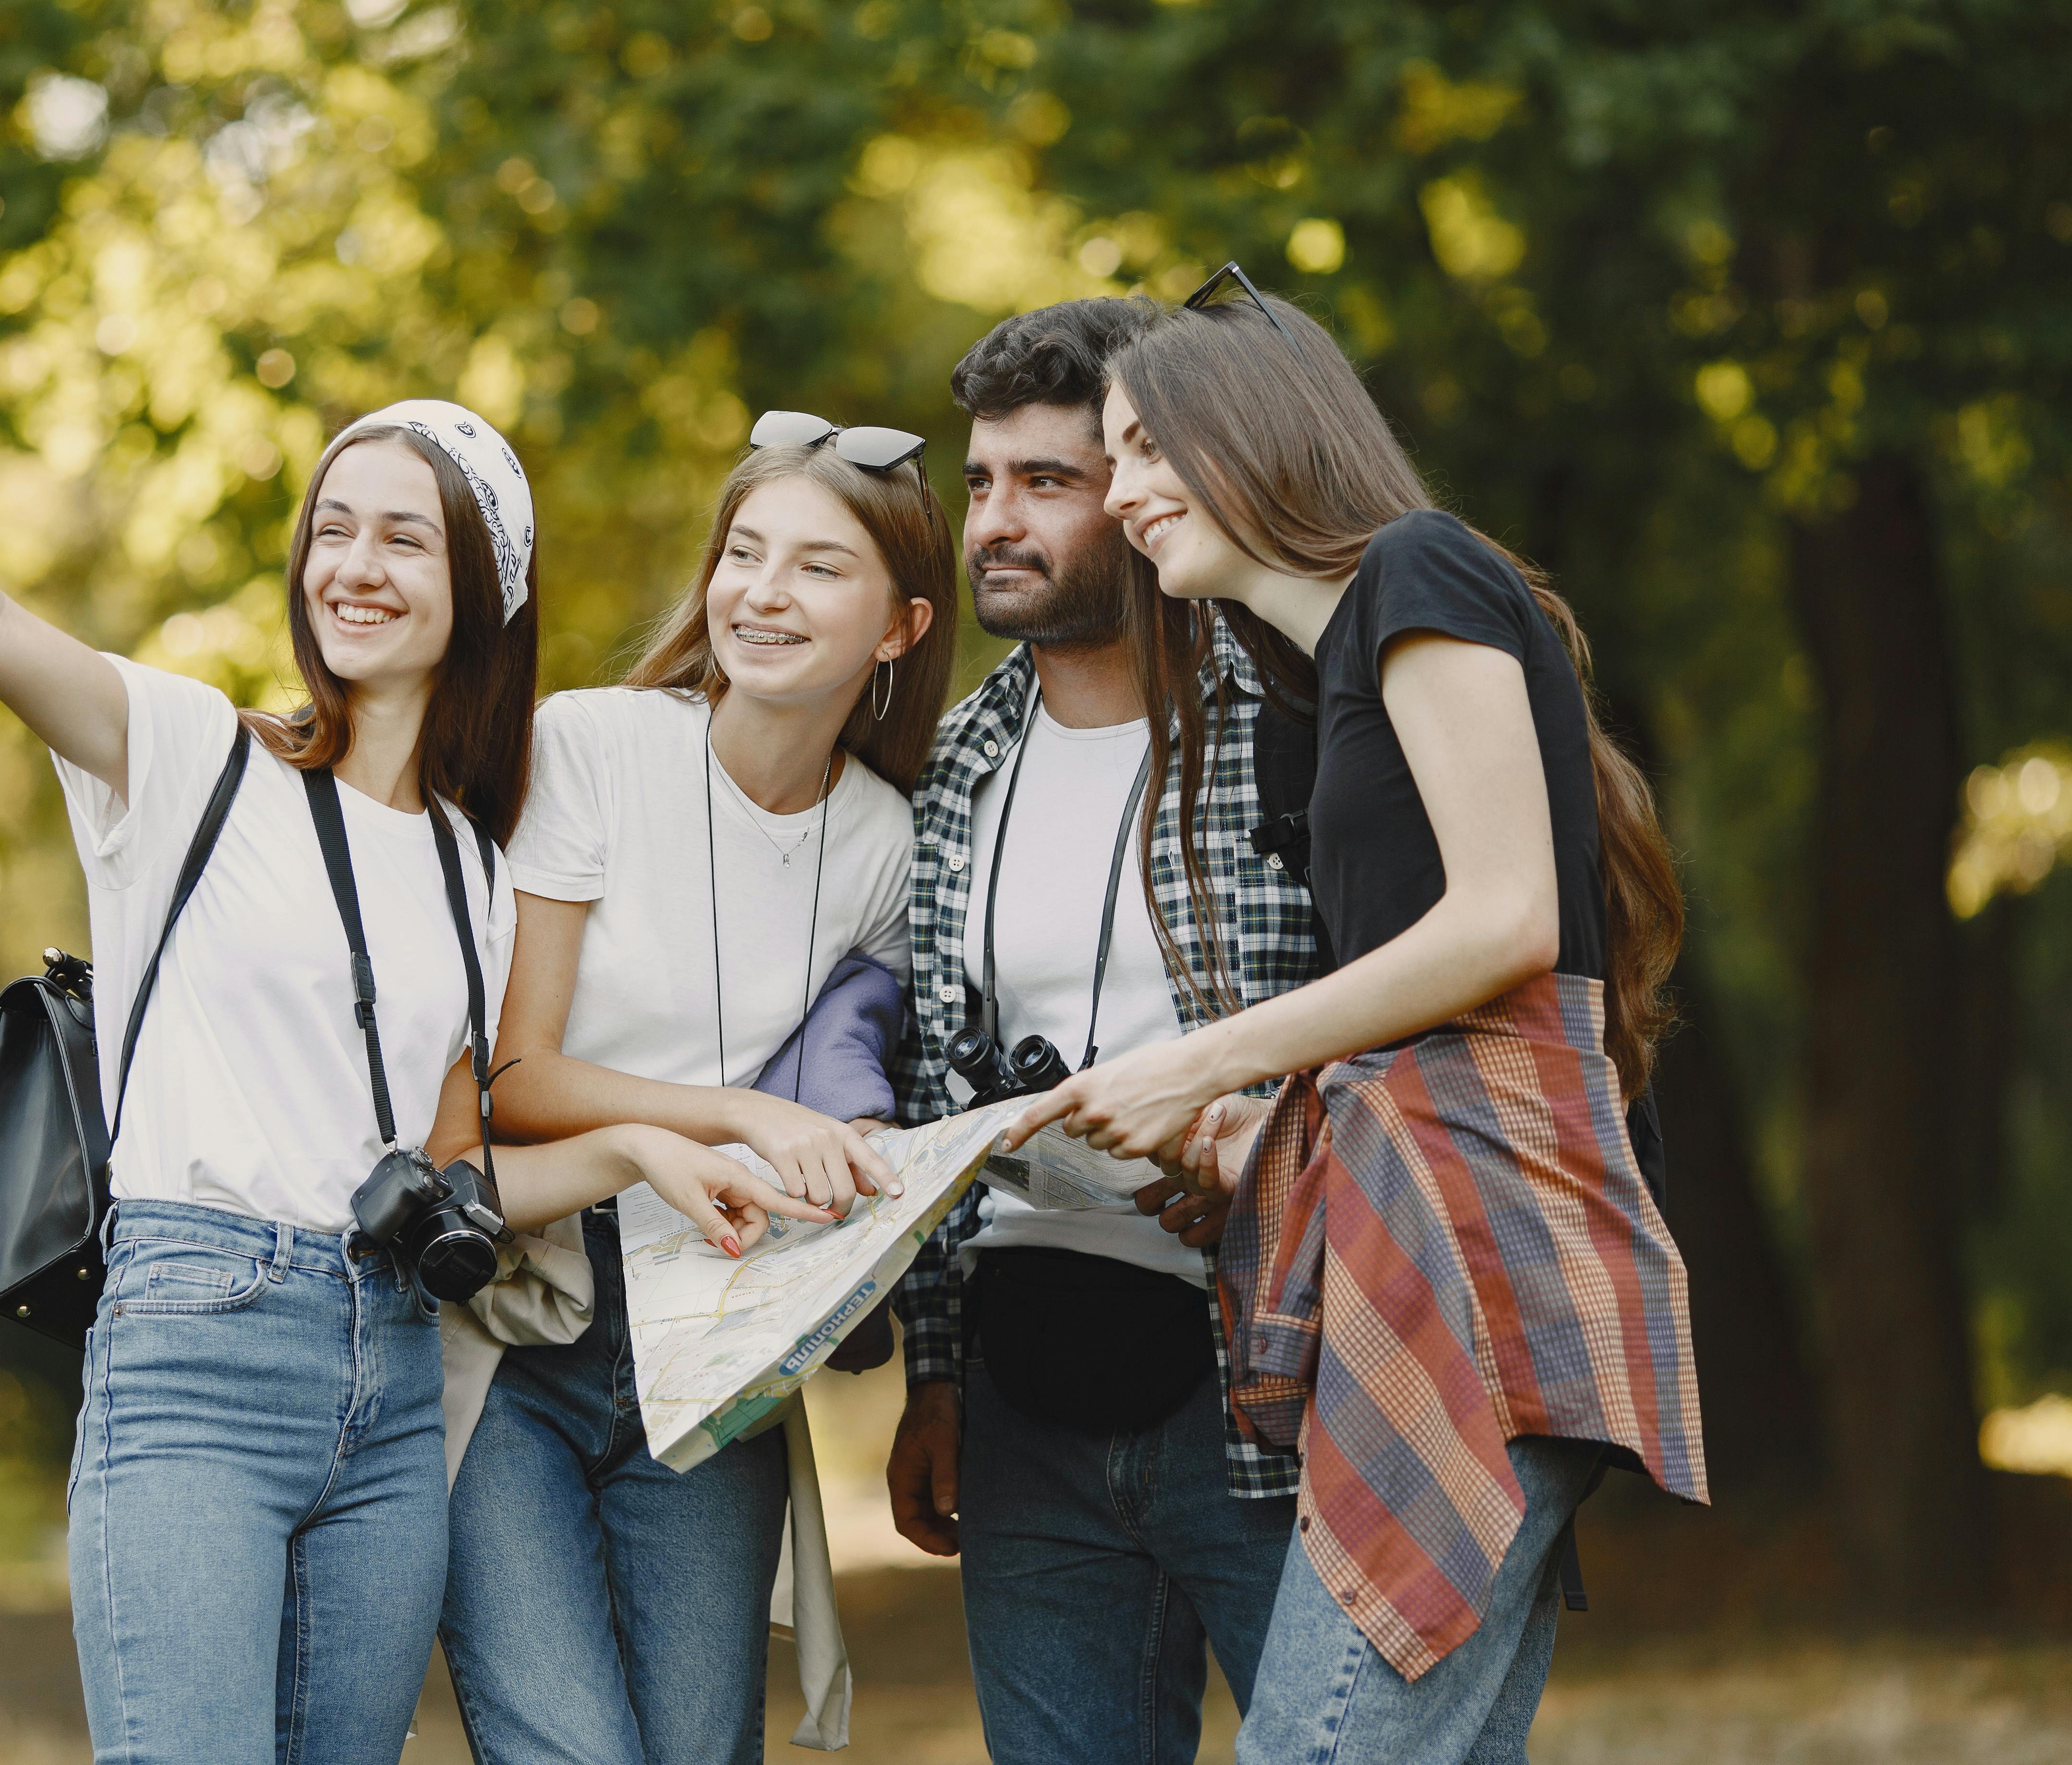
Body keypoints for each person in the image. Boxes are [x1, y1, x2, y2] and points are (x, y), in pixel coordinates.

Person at [0, 361, 828, 1765]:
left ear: (482, 586)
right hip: (199, 1352)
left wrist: (641, 1151)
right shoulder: (195, 757)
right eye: (334, 529)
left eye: (404, 538)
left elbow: (450, 1166)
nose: (354, 568)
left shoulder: (473, 865)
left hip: (390, 1387)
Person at [1010, 272, 1705, 1762]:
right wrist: (1253, 1131)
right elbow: (1417, 1000)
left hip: (1490, 1256)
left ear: (1252, 430)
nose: (1124, 491)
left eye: (1145, 447)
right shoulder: (1314, 679)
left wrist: (1205, 1057)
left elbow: (1508, 916)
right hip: (1419, 1240)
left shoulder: (1422, 572)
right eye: (1114, 455)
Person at [437, 411, 958, 1764]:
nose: (762, 594)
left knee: (700, 1748)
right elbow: (515, 1075)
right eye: (744, 553)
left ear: (901, 629)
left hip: (713, 1345)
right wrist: (736, 1115)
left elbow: (856, 1060)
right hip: (518, 1325)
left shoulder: (886, 843)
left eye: (817, 569)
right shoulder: (594, 747)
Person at [882, 300, 1327, 1763]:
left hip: (1274, 1378)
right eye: (983, 482)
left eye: (1046, 484)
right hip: (1025, 1404)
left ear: (1147, 496)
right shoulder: (953, 763)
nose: (994, 522)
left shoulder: (1295, 726)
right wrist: (936, 1371)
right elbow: (933, 1084)